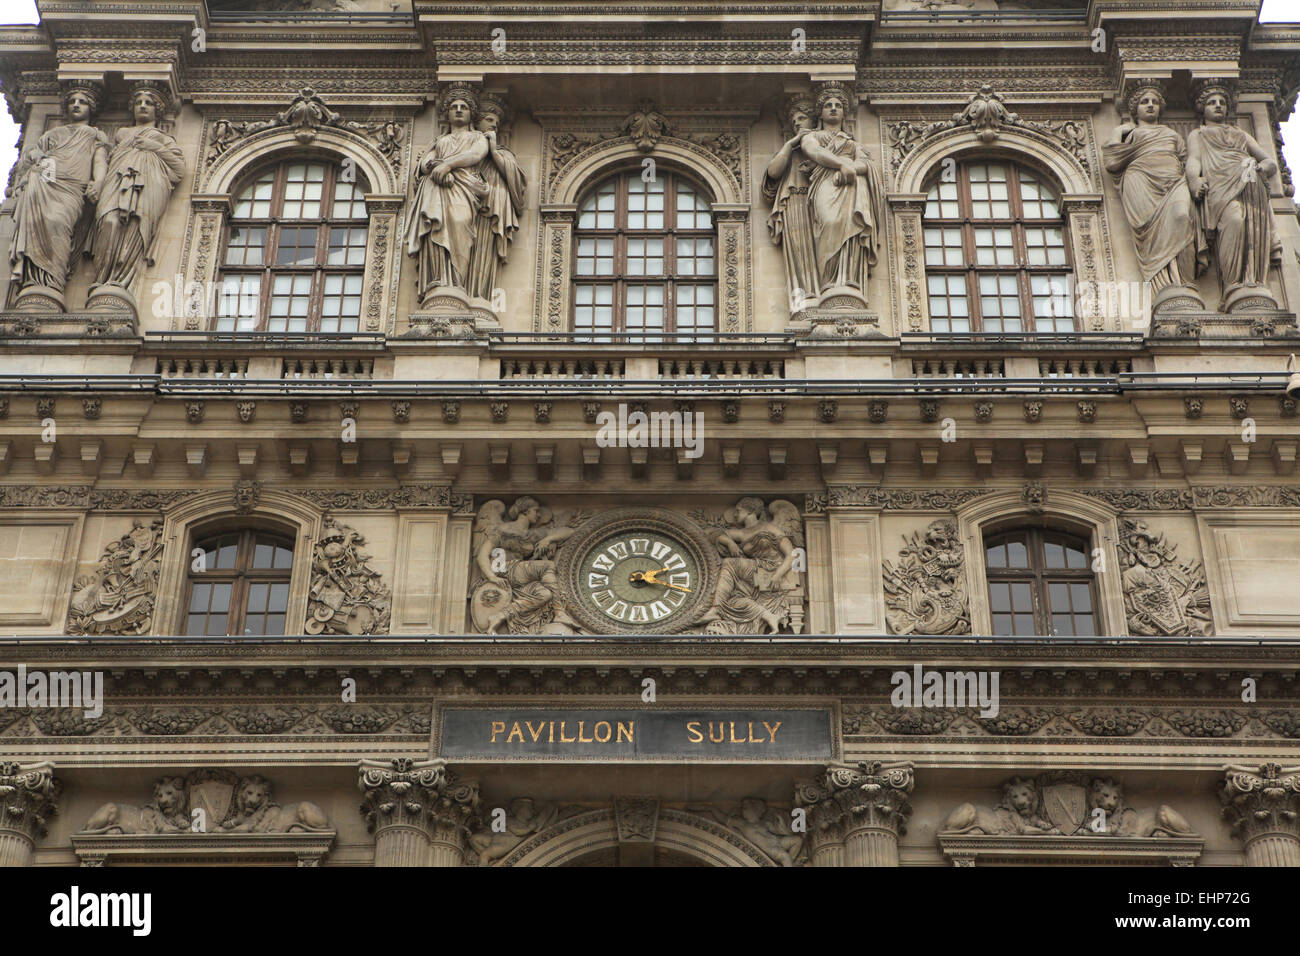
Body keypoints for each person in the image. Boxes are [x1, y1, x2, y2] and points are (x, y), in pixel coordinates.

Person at [1101, 84, 1207, 308]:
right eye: (1144, 102)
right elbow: (1111, 161)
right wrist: (1117, 132)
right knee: (1152, 237)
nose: (1150, 105)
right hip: (1140, 182)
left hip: (1173, 181)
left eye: (1155, 102)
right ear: (1134, 108)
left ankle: (1185, 284)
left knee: (1181, 217)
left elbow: (1187, 160)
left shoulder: (1172, 134)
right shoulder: (1129, 134)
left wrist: (1195, 179)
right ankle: (1167, 287)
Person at [7, 83, 108, 310]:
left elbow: (99, 161)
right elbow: (30, 159)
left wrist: (99, 182)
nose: (76, 105)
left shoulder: (95, 135)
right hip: (45, 183)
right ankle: (40, 286)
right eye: (72, 101)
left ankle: (52, 280)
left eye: (82, 102)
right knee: (39, 223)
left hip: (72, 189)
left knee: (58, 224)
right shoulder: (52, 134)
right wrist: (34, 156)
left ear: (91, 108)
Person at [1186, 82, 1281, 311]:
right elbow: (1194, 160)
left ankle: (1251, 280)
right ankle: (1232, 284)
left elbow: (1267, 160)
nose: (1218, 106)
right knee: (1234, 221)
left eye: (1222, 102)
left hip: (1248, 179)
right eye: (1212, 103)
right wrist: (1193, 180)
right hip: (1219, 184)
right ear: (1202, 109)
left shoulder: (1239, 134)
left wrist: (1263, 168)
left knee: (1251, 227)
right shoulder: (1198, 134)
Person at [88, 84, 185, 299]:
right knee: (108, 222)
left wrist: (153, 146)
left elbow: (178, 170)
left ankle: (119, 283)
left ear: (157, 110)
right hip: (116, 182)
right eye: (138, 103)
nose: (143, 106)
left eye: (148, 103)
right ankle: (103, 280)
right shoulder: (121, 135)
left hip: (147, 188)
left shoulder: (162, 138)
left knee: (133, 226)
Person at [796, 84, 886, 297]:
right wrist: (841, 165)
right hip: (825, 184)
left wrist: (851, 168)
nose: (834, 108)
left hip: (852, 186)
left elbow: (866, 163)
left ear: (845, 112)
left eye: (838, 105)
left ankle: (847, 278)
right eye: (828, 105)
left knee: (852, 228)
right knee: (829, 223)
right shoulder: (813, 136)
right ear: (821, 111)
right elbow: (813, 152)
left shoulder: (851, 142)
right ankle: (829, 280)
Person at [404, 85, 489, 301]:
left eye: (464, 107)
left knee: (461, 223)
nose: (459, 110)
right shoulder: (440, 141)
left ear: (471, 113)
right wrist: (435, 167)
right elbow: (424, 163)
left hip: (464, 189)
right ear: (447, 113)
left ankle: (457, 281)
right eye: (454, 107)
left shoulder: (477, 137)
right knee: (436, 226)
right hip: (439, 189)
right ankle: (441, 279)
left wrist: (447, 165)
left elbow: (476, 155)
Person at [465, 93, 526, 303]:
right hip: (469, 205)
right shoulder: (463, 150)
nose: (494, 126)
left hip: (492, 210)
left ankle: (480, 297)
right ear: (477, 121)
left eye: (497, 123)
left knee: (484, 252)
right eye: (489, 120)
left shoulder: (503, 153)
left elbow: (517, 182)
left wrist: (492, 150)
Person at [762, 95, 820, 309]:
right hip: (795, 199)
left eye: (802, 118)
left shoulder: (823, 143)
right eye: (794, 119)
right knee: (799, 250)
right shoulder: (790, 150)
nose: (797, 122)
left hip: (822, 200)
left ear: (813, 120)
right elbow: (773, 171)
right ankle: (805, 298)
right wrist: (789, 144)